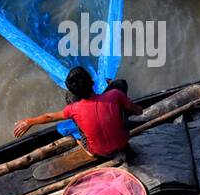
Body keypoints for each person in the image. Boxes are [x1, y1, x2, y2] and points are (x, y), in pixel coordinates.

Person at [13, 66, 143, 157]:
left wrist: (29, 121)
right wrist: (123, 104)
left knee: (69, 116)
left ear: (75, 92)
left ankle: (86, 148)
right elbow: (138, 112)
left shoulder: (73, 109)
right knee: (120, 84)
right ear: (92, 81)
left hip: (97, 152)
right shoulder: (115, 95)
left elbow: (50, 117)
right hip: (122, 142)